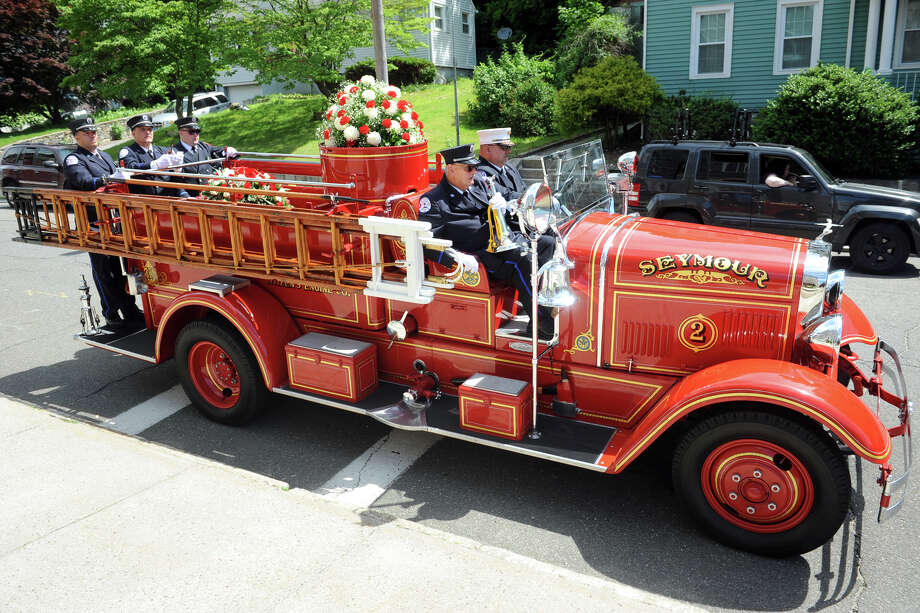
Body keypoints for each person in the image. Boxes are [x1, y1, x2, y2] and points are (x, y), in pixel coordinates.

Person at [419, 144, 555, 340]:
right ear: (450, 169)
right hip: (478, 255)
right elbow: (428, 242)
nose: (474, 171)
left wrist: (516, 202)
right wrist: (456, 259)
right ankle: (543, 322)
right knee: (523, 260)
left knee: (547, 243)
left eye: (474, 166)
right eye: (468, 168)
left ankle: (544, 306)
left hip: (502, 241)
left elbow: (511, 195)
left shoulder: (479, 182)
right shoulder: (433, 201)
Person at [62, 117, 143, 329]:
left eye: (94, 131)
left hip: (114, 220)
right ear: (76, 136)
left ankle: (129, 308)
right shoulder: (74, 159)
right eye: (86, 132)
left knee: (124, 268)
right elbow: (82, 182)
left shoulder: (105, 156)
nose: (92, 134)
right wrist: (109, 179)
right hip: (94, 222)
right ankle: (111, 311)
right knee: (105, 269)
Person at [118, 114, 189, 198]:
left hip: (169, 198)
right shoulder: (128, 151)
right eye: (142, 130)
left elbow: (175, 178)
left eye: (150, 129)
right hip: (145, 201)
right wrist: (155, 165)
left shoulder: (162, 150)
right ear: (133, 134)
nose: (148, 132)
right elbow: (130, 168)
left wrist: (178, 169)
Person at [171, 116, 239, 193]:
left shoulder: (204, 146)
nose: (195, 135)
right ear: (180, 132)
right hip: (191, 198)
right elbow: (174, 181)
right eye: (191, 132)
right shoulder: (174, 153)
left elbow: (220, 151)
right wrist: (185, 196)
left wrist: (229, 151)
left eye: (197, 131)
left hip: (211, 193)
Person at [473, 127, 524, 201]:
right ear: (487, 149)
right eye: (504, 147)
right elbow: (504, 195)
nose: (509, 151)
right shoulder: (480, 173)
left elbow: (524, 189)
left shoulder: (509, 167)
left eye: (509, 147)